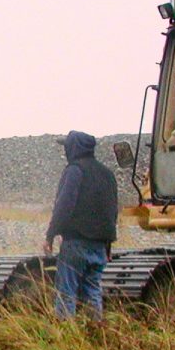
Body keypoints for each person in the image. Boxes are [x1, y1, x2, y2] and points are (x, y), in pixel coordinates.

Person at [42, 130, 118, 319]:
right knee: (93, 292)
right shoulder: (108, 174)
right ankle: (95, 331)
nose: (65, 150)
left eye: (66, 146)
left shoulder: (74, 170)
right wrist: (108, 245)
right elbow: (112, 212)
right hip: (99, 247)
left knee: (66, 293)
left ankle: (65, 333)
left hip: (76, 243)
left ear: (73, 148)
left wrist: (50, 235)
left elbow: (64, 206)